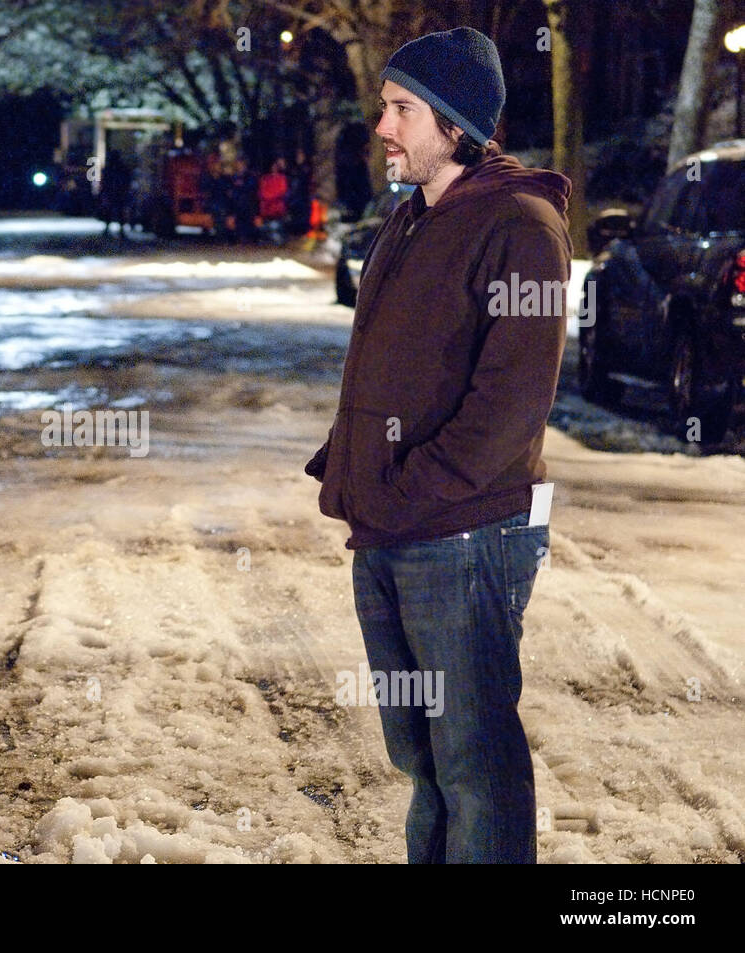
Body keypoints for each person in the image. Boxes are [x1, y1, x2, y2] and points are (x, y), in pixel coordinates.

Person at [305, 27, 571, 863]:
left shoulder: (521, 227)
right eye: (385, 106)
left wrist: (405, 487)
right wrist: (352, 466)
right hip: (394, 529)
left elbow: (510, 407)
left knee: (475, 766)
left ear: (455, 124)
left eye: (402, 110)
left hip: (466, 536)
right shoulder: (412, 218)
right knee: (422, 762)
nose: (383, 126)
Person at [258, 158, 288, 243]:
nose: (273, 168)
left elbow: (281, 192)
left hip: (277, 209)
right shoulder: (264, 178)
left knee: (275, 227)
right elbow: (262, 192)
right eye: (272, 166)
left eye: (275, 166)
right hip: (266, 209)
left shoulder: (281, 178)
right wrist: (268, 197)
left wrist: (270, 197)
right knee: (265, 228)